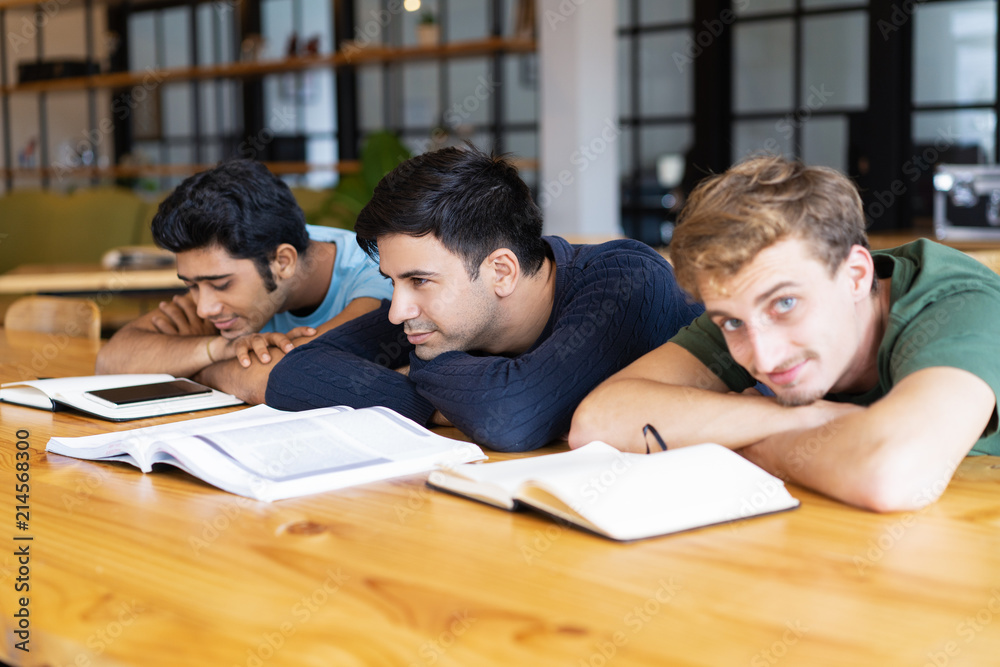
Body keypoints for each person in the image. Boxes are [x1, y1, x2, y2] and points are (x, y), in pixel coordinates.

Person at [197, 145, 704, 451]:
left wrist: (414, 375)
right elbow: (299, 371)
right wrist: (451, 404)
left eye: (419, 281)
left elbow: (512, 416)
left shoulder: (626, 281)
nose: (396, 310)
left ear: (501, 271)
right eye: (393, 282)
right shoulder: (439, 315)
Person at [570, 154, 1000, 512]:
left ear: (855, 276)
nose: (766, 357)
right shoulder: (748, 299)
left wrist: (746, 442)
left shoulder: (960, 305)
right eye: (732, 323)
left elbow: (892, 474)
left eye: (786, 305)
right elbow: (597, 423)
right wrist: (802, 419)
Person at [95, 159, 392, 379]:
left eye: (222, 285)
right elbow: (112, 361)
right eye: (191, 286)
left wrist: (189, 368)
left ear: (283, 262)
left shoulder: (380, 272)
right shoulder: (234, 262)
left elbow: (291, 373)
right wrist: (216, 350)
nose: (204, 309)